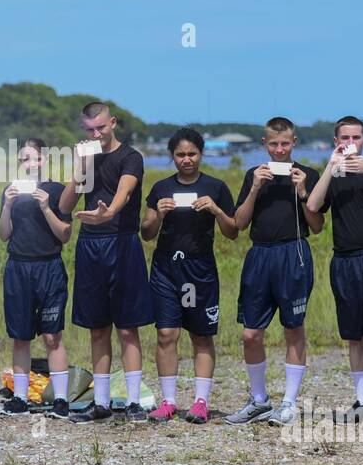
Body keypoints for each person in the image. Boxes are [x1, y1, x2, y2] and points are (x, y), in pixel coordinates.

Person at [59, 102, 154, 423]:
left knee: (128, 329)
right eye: (89, 130)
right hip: (90, 246)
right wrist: (80, 168)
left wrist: (108, 212)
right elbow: (64, 204)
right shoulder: (86, 160)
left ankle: (133, 402)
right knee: (97, 328)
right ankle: (100, 402)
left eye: (101, 128)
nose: (96, 134)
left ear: (112, 123)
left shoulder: (130, 157)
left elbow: (126, 191)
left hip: (122, 241)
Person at [225, 117, 323, 427]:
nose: (279, 150)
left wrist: (304, 191)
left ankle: (289, 403)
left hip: (293, 253)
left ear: (294, 143)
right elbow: (239, 224)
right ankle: (259, 399)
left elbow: (318, 226)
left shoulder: (309, 174)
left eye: (285, 144)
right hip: (259, 255)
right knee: (251, 333)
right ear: (264, 145)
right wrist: (255, 188)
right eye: (273, 144)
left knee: (293, 328)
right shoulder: (252, 174)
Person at [305, 116, 363, 430]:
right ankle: (362, 401)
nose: (351, 142)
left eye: (356, 137)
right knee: (354, 336)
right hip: (343, 261)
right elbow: (314, 205)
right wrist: (331, 167)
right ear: (336, 141)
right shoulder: (333, 172)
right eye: (345, 137)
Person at [140, 128, 237, 424]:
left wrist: (216, 210)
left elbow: (233, 231)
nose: (186, 159)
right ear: (172, 156)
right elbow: (146, 233)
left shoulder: (216, 186)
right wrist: (158, 213)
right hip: (166, 269)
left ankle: (201, 402)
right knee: (167, 333)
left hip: (198, 272)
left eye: (191, 154)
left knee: (201, 335)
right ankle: (168, 401)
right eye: (180, 155)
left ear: (201, 154)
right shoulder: (160, 188)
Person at [0, 138, 74, 417]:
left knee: (52, 335)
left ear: (46, 159)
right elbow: (3, 234)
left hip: (49, 266)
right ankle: (19, 397)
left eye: (36, 158)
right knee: (20, 336)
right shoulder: (12, 190)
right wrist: (7, 205)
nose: (31, 164)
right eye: (25, 159)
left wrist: (45, 207)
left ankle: (61, 398)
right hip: (18, 267)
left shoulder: (58, 191)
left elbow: (64, 235)